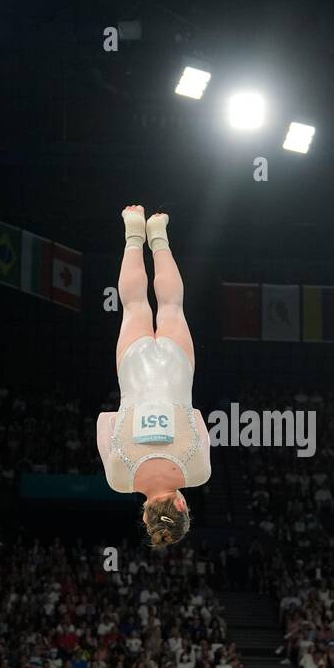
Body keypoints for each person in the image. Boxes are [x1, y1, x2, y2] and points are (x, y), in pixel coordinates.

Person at [96, 206, 211, 547]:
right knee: (133, 306)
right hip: (134, 371)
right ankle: (133, 233)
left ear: (181, 504)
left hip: (175, 371)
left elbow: (196, 418)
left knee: (172, 306)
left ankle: (158, 233)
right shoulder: (120, 479)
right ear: (147, 514)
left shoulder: (198, 472)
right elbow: (105, 420)